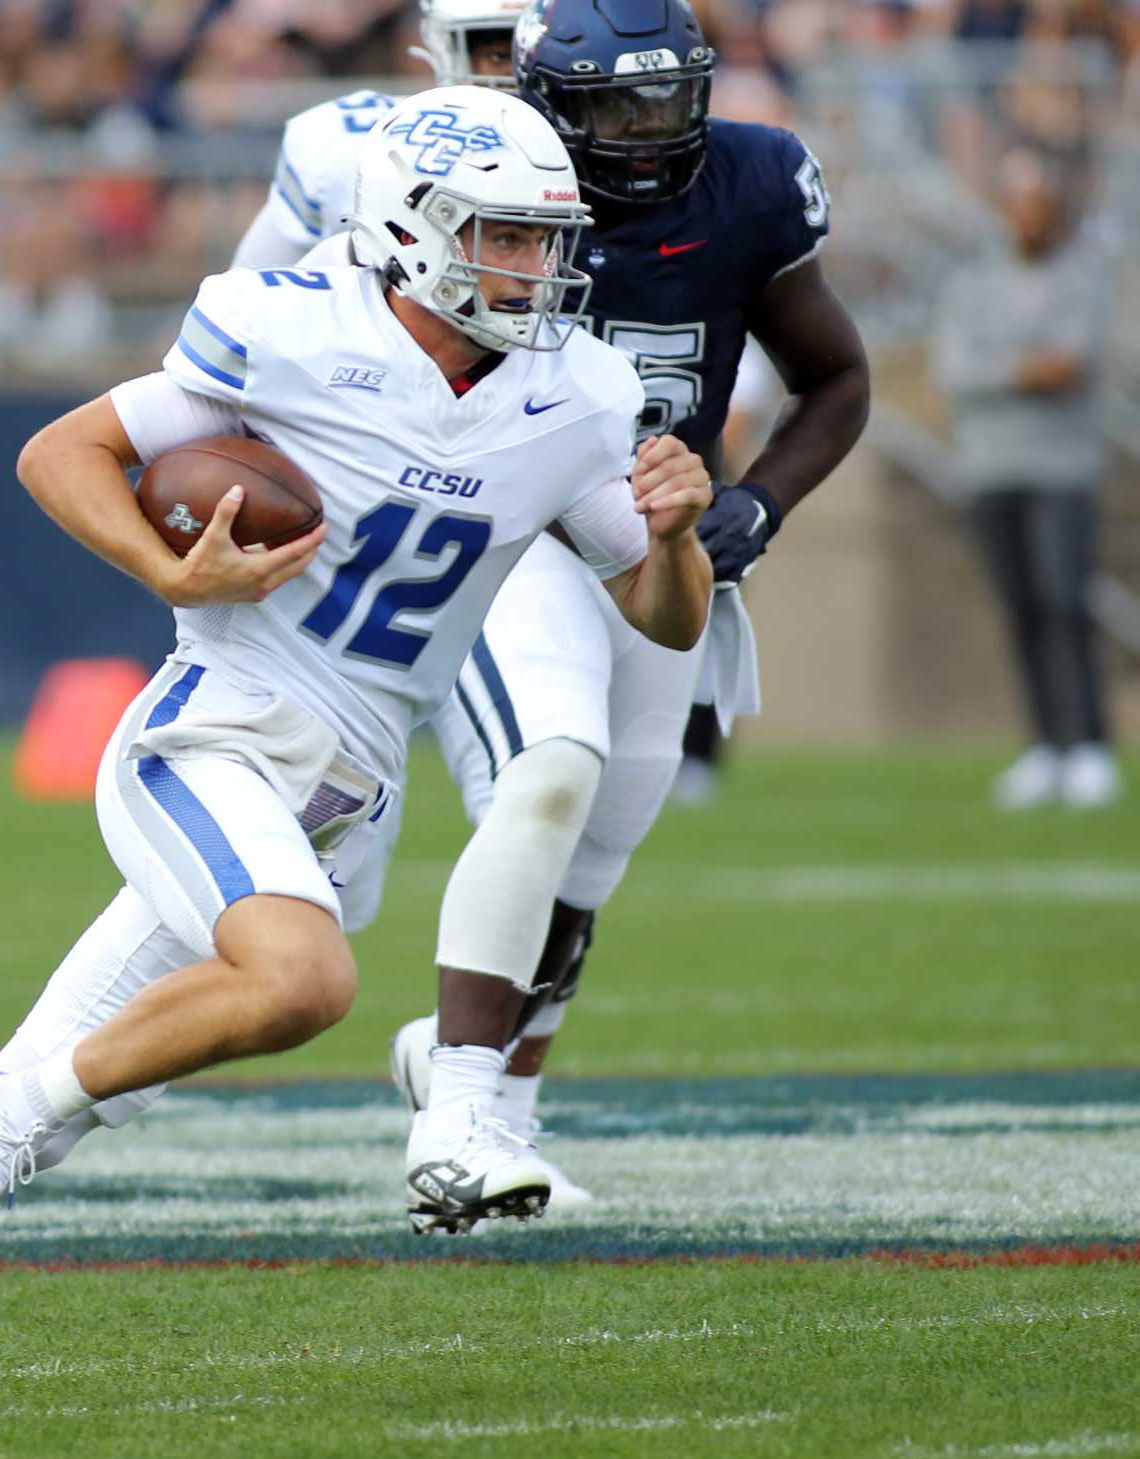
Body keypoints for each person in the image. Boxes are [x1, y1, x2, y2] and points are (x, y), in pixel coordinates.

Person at [0, 85, 713, 1420]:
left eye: (544, 240)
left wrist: (681, 531)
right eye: (505, 237)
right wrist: (176, 570)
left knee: (24, 1106)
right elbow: (65, 454)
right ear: (415, 228)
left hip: (352, 789)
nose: (536, 267)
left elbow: (659, 608)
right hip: (218, 735)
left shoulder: (576, 394)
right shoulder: (292, 328)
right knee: (302, 983)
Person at [387, 0, 871, 1214]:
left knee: (597, 849)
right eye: (614, 106)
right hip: (521, 527)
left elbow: (834, 375)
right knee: (549, 769)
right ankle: (453, 1110)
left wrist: (758, 502)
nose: (646, 133)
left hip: (657, 535)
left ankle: (509, 1119)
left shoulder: (752, 183)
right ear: (550, 106)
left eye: (665, 99)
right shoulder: (500, 176)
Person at [931, 147, 1119, 811]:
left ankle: (1090, 744)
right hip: (989, 468)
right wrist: (1023, 370)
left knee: (1063, 602)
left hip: (1060, 469)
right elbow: (955, 369)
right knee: (1020, 611)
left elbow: (1070, 365)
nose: (1029, 217)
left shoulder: (1081, 275)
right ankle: (1045, 744)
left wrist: (1004, 368)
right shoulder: (970, 283)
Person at [230, 0, 528, 271]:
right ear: (444, 48)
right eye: (501, 56)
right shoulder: (352, 145)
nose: (531, 73)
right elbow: (245, 296)